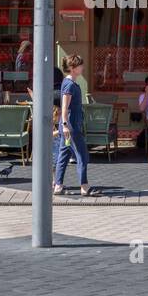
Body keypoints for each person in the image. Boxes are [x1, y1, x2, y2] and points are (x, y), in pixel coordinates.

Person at [54, 55, 92, 196]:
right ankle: (84, 186)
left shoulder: (69, 83)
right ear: (72, 68)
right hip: (71, 126)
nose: (82, 67)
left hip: (68, 125)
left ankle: (58, 185)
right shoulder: (70, 85)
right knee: (82, 155)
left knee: (64, 155)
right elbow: (64, 107)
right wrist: (65, 125)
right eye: (80, 65)